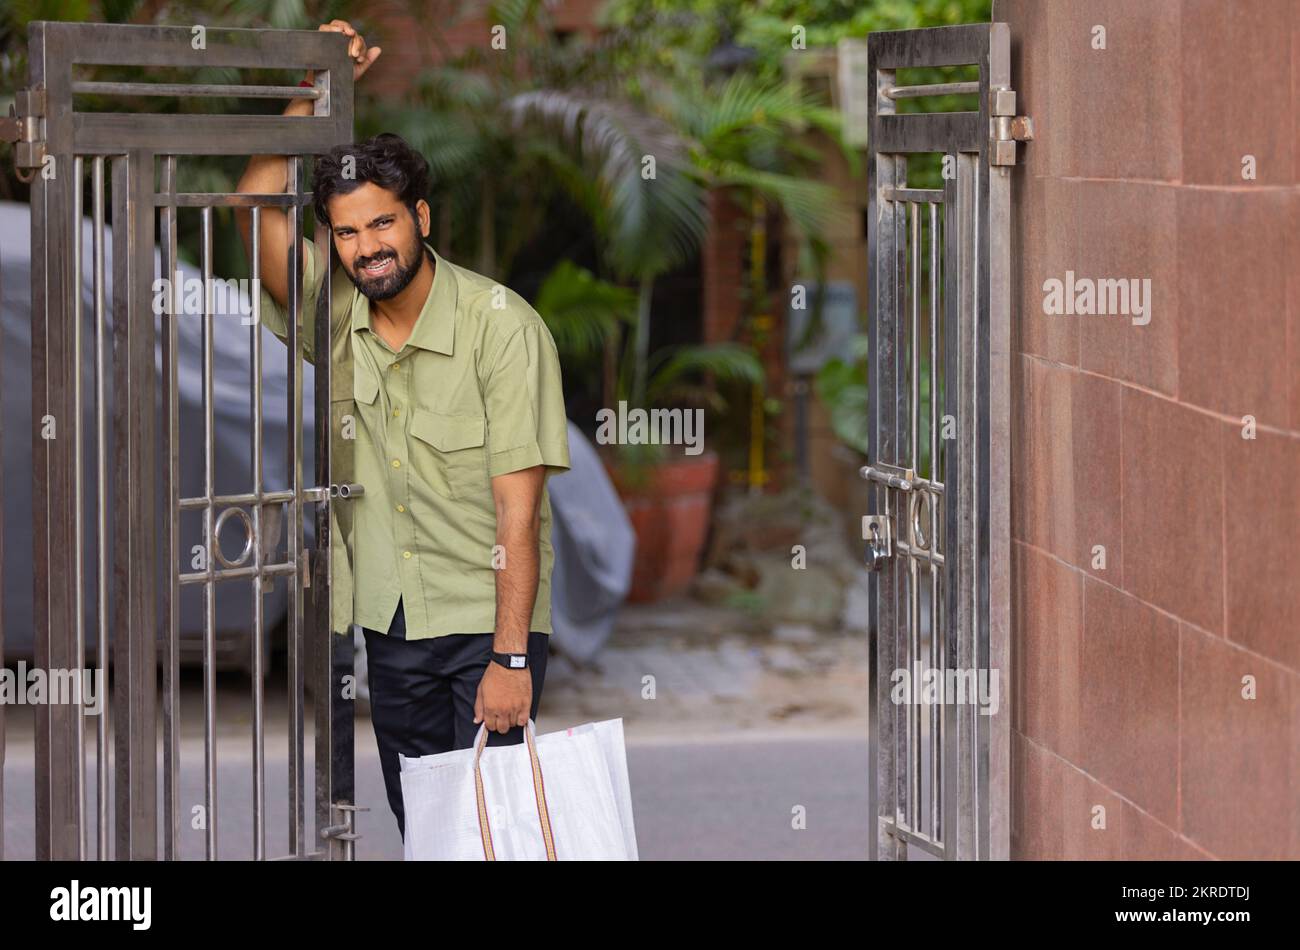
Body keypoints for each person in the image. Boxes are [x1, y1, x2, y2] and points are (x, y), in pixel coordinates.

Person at [234, 19, 571, 840]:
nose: (366, 248)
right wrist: (311, 95)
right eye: (346, 232)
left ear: (420, 216)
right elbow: (253, 209)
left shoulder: (502, 327)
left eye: (382, 224)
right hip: (390, 627)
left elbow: (517, 512)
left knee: (497, 832)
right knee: (424, 825)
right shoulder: (337, 312)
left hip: (480, 622)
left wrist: (511, 657)